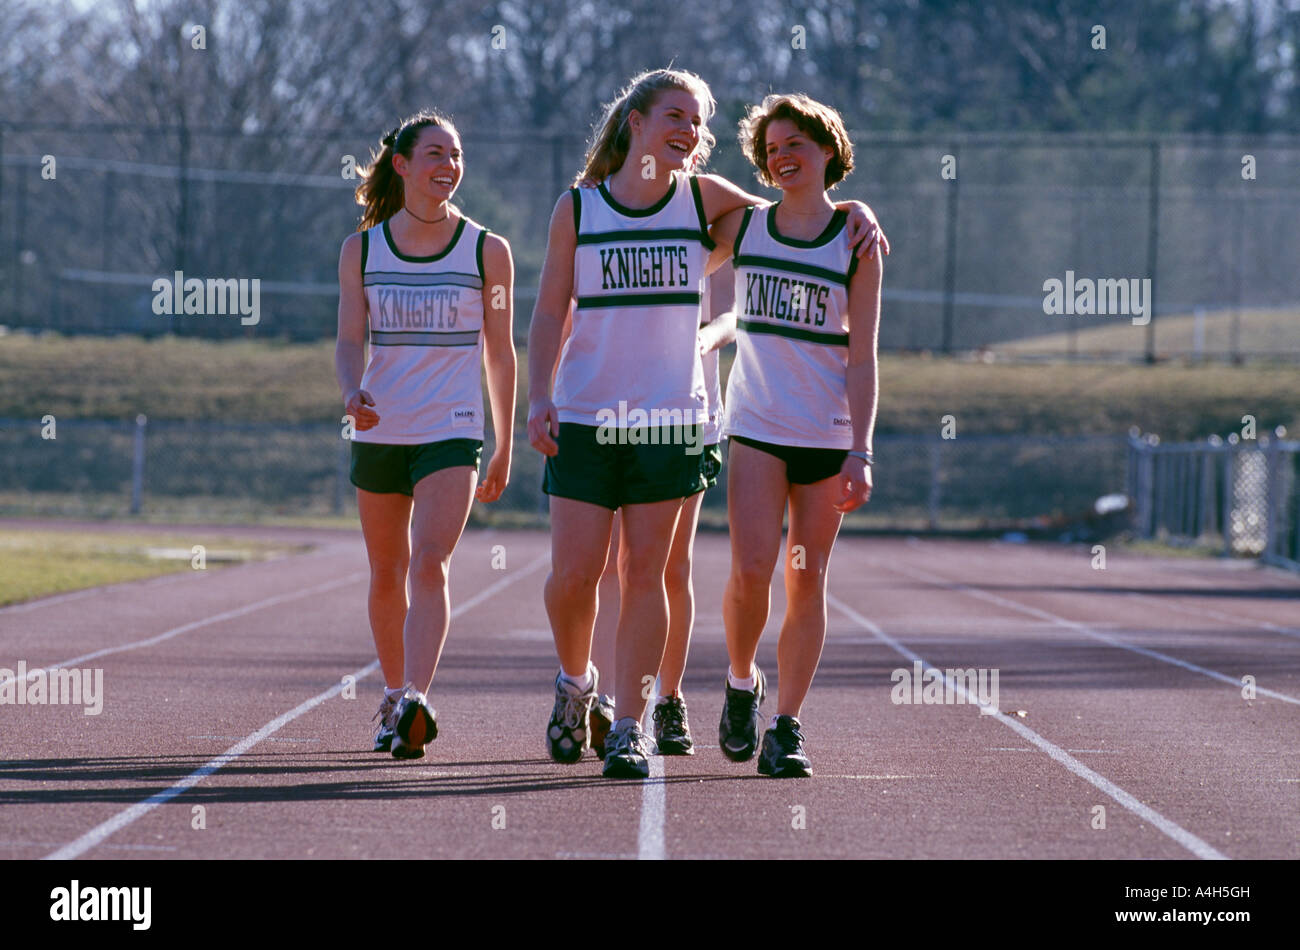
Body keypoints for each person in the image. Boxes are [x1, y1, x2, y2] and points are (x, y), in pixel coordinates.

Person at [527, 68, 886, 779]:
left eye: (697, 122)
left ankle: (630, 725)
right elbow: (545, 313)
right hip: (587, 413)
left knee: (645, 573)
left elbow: (793, 213)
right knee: (573, 577)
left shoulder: (705, 201)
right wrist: (538, 396)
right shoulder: (579, 208)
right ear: (635, 121)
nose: (689, 132)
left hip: (671, 418)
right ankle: (577, 684)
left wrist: (859, 212)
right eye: (675, 116)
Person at [707, 93, 883, 777]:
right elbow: (679, 206)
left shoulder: (857, 242)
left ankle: (787, 726)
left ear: (827, 153)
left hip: (827, 433)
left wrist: (861, 449)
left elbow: (863, 356)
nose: (783, 157)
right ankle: (741, 681)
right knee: (752, 571)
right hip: (755, 425)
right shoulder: (745, 229)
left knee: (806, 581)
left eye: (796, 145)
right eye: (772, 148)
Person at [335, 110, 516, 759]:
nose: (449, 165)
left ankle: (415, 695)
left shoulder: (486, 251)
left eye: (457, 154)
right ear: (403, 165)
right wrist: (351, 389)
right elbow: (349, 338)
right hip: (383, 429)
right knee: (387, 570)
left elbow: (500, 353)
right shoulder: (362, 250)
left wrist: (504, 441)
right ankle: (392, 694)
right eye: (435, 153)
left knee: (429, 561)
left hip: (452, 429)